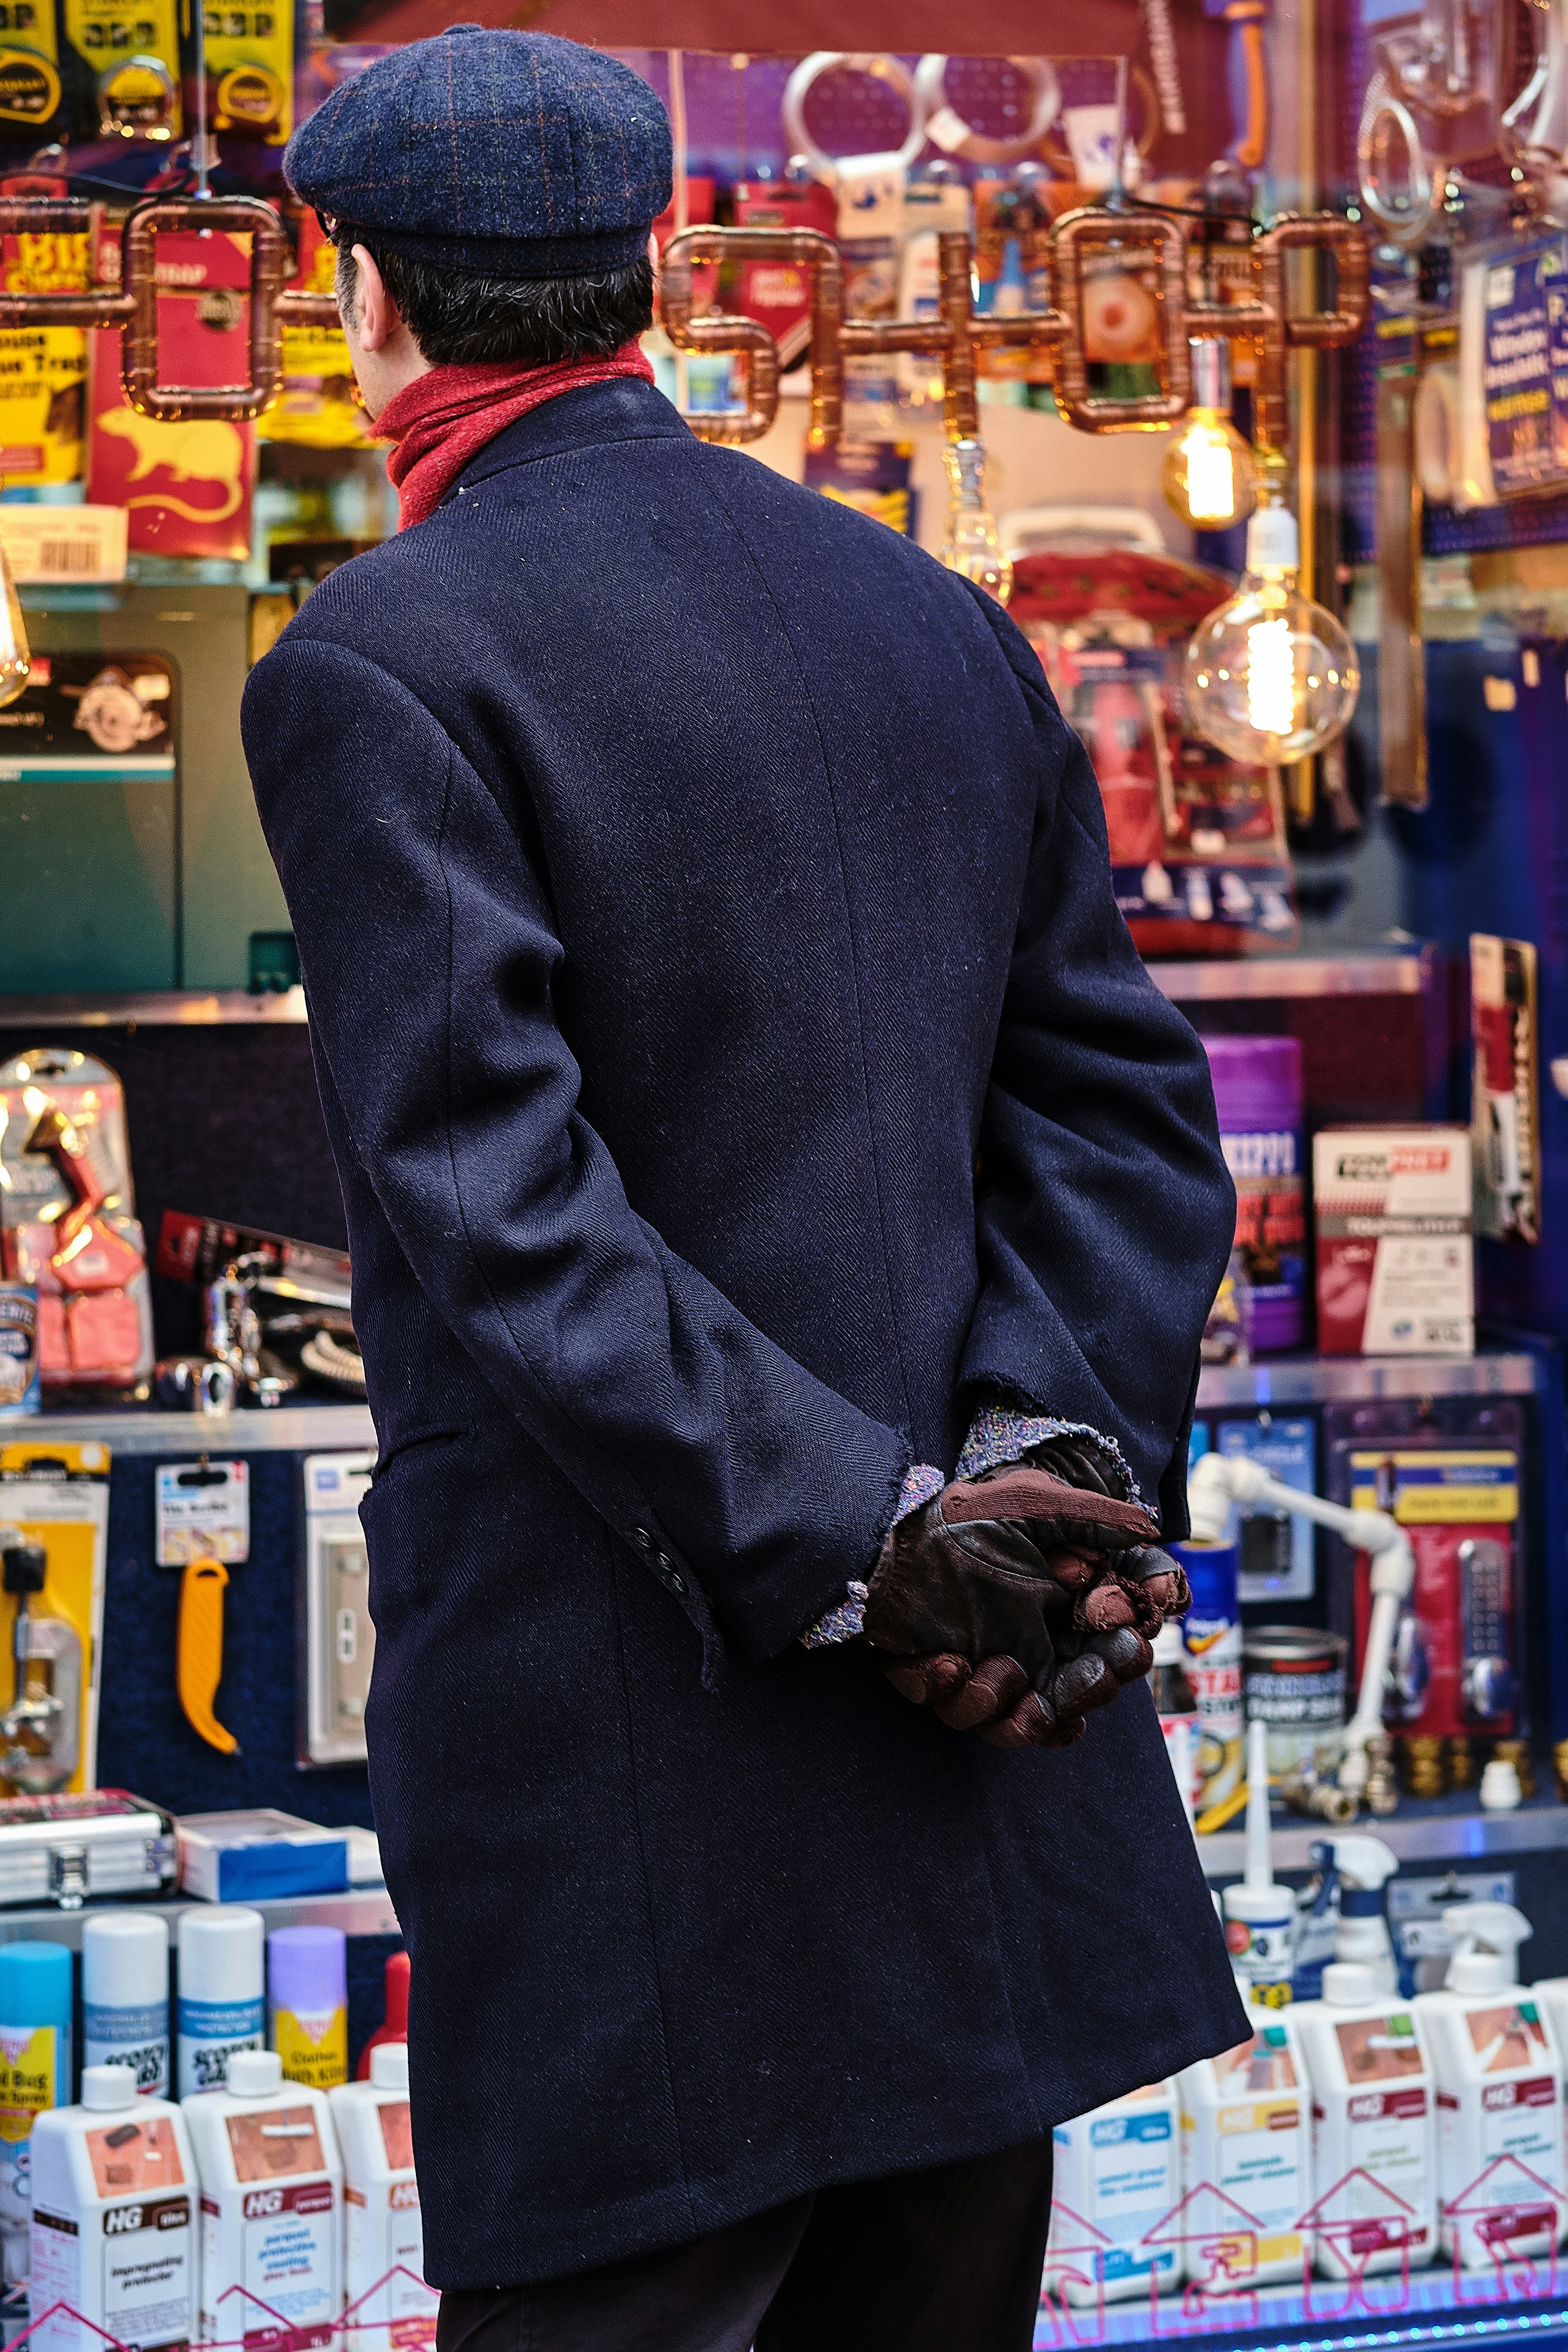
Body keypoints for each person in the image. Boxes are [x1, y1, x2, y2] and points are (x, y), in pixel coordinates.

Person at [244, 29, 1245, 2352]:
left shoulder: (379, 663)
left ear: (358, 288)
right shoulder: (925, 612)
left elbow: (501, 1203)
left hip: (647, 1792)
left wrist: (881, 1540)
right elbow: (1123, 1104)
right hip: (966, 1746)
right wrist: (1034, 1471)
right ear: (662, 265)